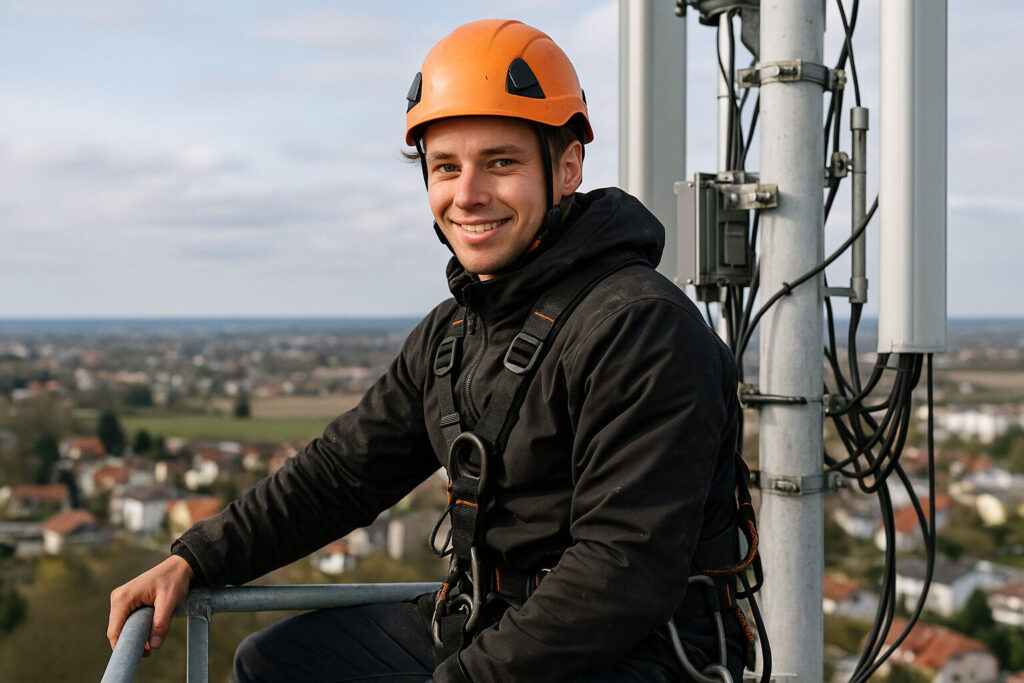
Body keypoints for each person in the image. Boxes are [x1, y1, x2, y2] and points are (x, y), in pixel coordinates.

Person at [108, 19, 749, 682]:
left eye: (500, 162)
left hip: (637, 653)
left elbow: (623, 570)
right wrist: (194, 559)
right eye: (446, 167)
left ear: (566, 167)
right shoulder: (453, 335)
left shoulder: (639, 327)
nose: (467, 194)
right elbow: (340, 474)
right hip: (489, 619)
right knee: (277, 664)